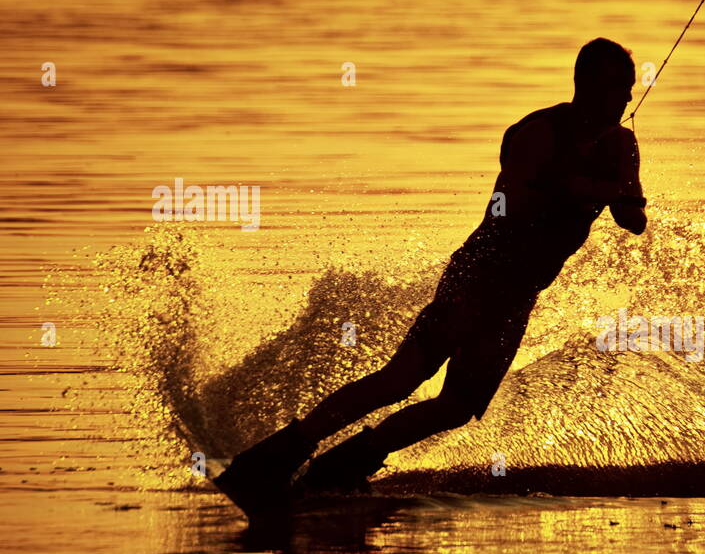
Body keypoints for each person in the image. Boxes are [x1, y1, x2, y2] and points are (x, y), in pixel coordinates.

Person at [215, 38, 647, 514]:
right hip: (480, 275)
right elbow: (522, 201)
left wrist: (623, 184)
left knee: (460, 405)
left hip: (519, 293)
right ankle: (274, 457)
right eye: (617, 87)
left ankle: (343, 465)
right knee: (401, 379)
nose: (627, 98)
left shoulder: (622, 144)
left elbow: (633, 219)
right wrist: (598, 183)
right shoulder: (536, 132)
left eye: (630, 88)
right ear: (586, 84)